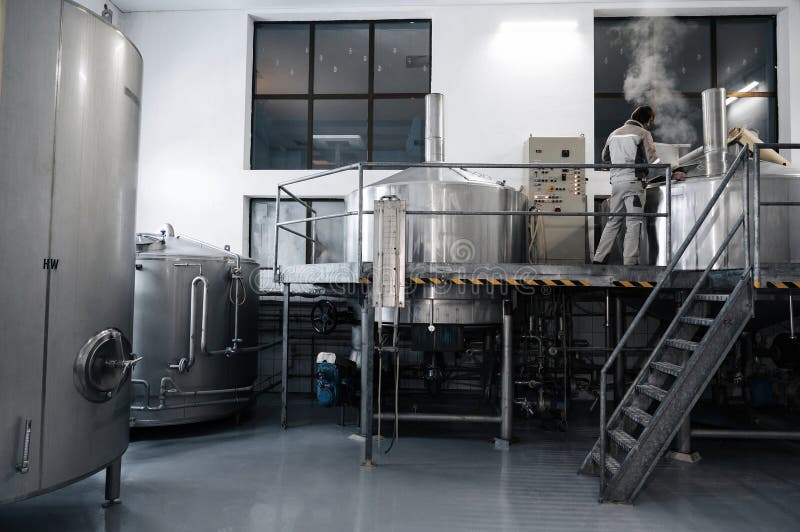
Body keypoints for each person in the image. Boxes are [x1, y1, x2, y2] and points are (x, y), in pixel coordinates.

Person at [592, 105, 685, 266]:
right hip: (633, 183)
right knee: (633, 221)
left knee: (613, 221)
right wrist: (671, 173)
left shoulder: (614, 133)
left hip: (616, 183)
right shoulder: (643, 133)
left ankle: (598, 259)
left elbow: (605, 157)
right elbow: (653, 161)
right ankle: (630, 262)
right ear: (648, 120)